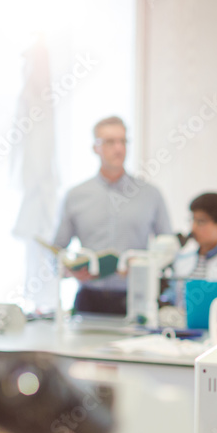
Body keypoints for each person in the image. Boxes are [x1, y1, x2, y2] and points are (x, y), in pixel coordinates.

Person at [53, 116, 172, 314]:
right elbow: (57, 251)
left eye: (123, 141)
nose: (118, 148)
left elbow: (169, 248)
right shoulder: (75, 196)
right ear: (95, 148)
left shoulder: (150, 194)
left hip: (136, 299)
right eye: (110, 142)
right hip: (88, 300)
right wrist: (70, 270)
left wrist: (145, 264)